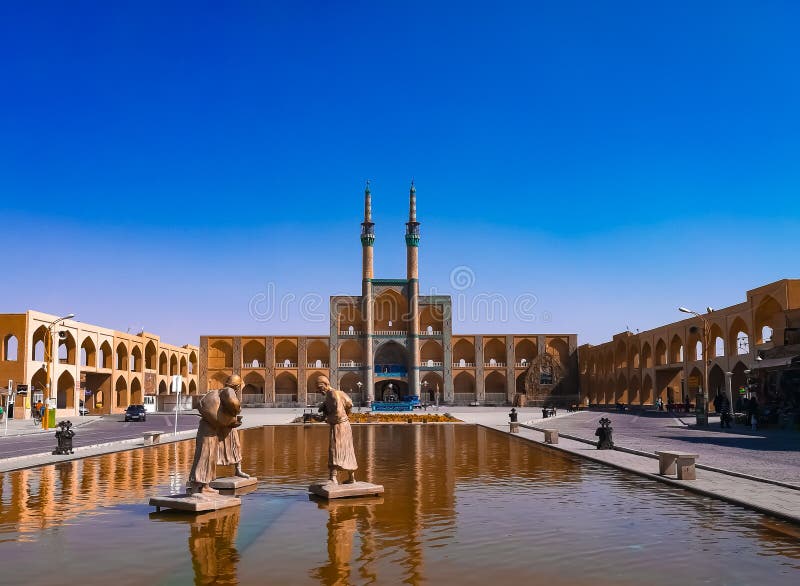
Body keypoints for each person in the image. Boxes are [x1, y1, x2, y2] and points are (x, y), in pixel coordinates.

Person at [187, 376, 248, 495]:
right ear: (237, 386)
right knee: (205, 455)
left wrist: (229, 420)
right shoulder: (229, 391)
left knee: (210, 456)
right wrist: (237, 410)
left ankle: (205, 486)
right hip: (209, 429)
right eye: (240, 387)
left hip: (213, 426)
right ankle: (196, 488)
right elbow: (233, 402)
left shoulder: (217, 392)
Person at [317, 375, 358, 485]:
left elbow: (338, 414)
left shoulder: (332, 394)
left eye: (320, 387)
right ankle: (351, 478)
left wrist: (328, 419)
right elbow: (350, 404)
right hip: (345, 425)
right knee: (348, 450)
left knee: (334, 449)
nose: (319, 390)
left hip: (338, 426)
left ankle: (333, 478)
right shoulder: (339, 393)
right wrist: (346, 416)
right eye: (318, 388)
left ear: (327, 384)